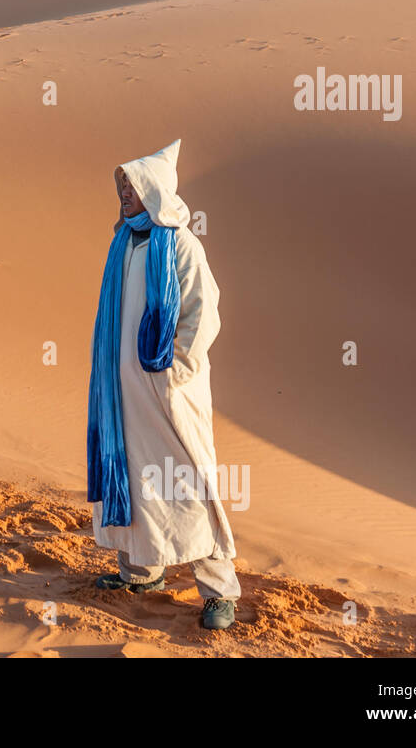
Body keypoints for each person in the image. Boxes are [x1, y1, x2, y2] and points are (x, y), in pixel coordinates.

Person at [86, 140, 240, 631]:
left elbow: (203, 313)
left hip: (170, 391)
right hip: (125, 392)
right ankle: (141, 570)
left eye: (132, 185)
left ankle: (219, 589)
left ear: (154, 190)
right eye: (122, 185)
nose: (124, 193)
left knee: (189, 478)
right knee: (134, 474)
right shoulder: (124, 242)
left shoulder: (180, 244)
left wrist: (174, 369)